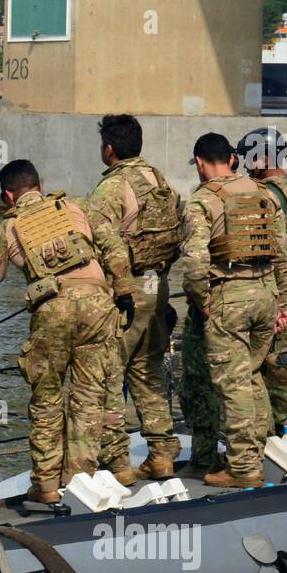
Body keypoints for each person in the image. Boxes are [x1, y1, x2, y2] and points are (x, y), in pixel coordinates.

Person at [0, 160, 136, 503]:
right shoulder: (76, 205)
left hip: (53, 310)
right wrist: (123, 291)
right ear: (40, 185)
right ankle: (81, 480)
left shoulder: (8, 228)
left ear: (8, 196)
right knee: (89, 397)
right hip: (97, 305)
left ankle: (46, 486)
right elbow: (114, 246)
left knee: (47, 399)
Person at [179, 134, 287, 488]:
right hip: (265, 293)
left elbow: (195, 264)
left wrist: (202, 301)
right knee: (253, 374)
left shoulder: (201, 202)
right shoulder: (264, 193)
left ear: (200, 163)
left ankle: (242, 468)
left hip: (229, 297)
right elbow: (284, 256)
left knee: (233, 384)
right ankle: (255, 453)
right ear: (231, 159)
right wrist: (281, 304)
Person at [86, 115, 184, 483]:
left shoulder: (111, 189)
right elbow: (182, 230)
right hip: (157, 286)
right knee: (149, 371)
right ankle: (161, 454)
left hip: (127, 292)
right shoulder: (162, 182)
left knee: (109, 375)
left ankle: (117, 463)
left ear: (108, 149)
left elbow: (100, 241)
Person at [237, 127, 287, 434]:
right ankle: (284, 423)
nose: (246, 164)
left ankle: (264, 430)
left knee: (259, 361)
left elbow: (271, 248)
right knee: (282, 357)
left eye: (250, 157)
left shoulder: (265, 194)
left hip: (276, 284)